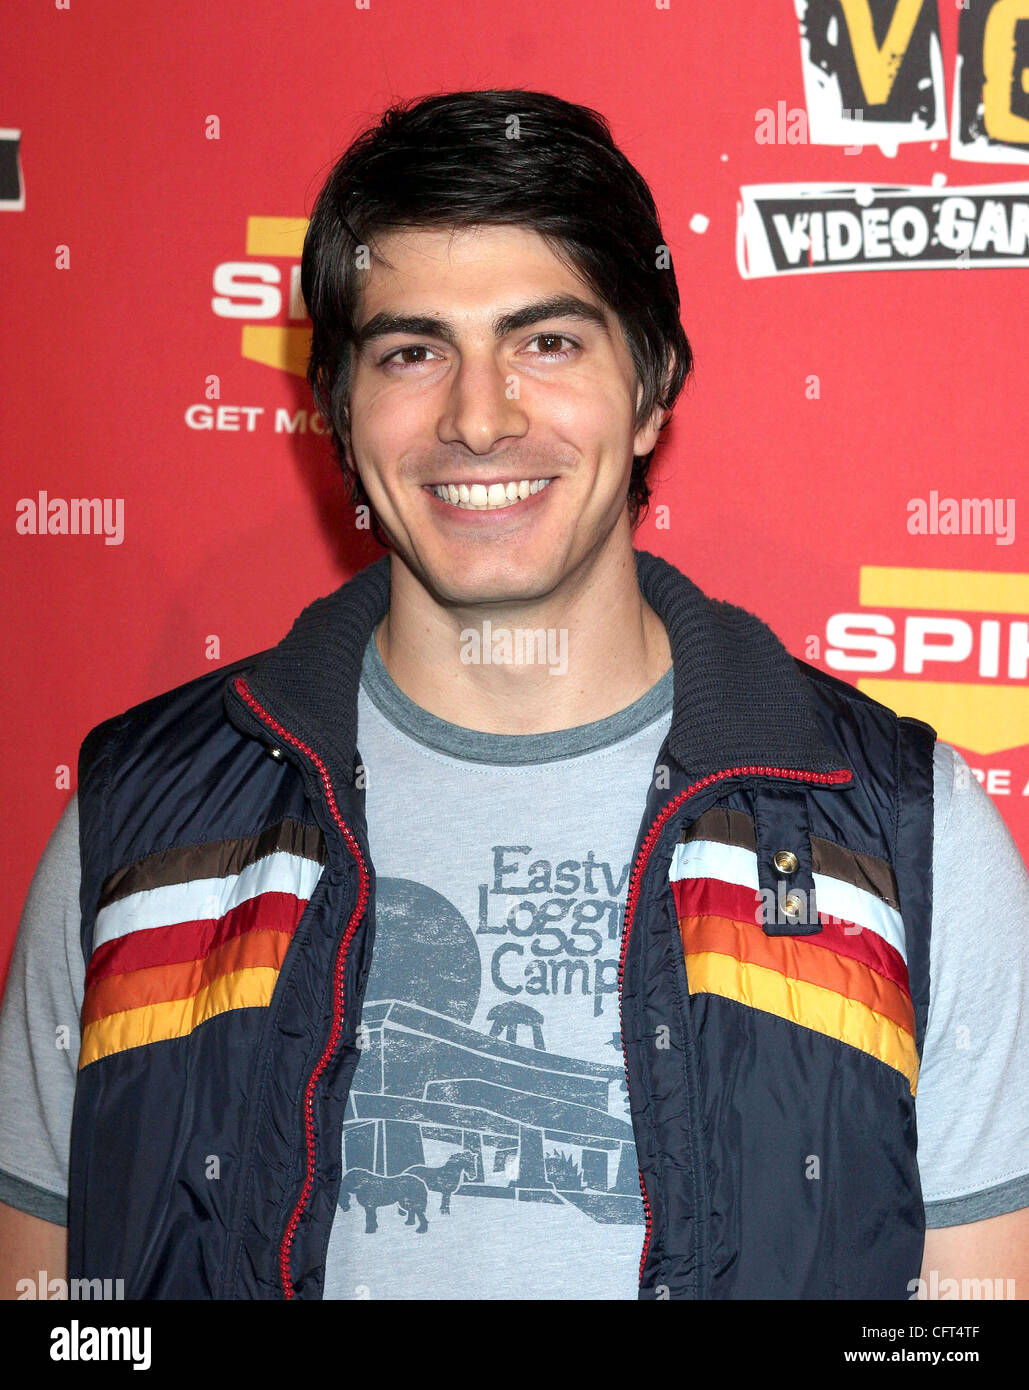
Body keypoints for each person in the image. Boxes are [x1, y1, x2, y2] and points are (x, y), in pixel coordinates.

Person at [2, 88, 1028, 1302]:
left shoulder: (900, 831)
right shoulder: (142, 824)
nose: (478, 419)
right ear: (334, 407)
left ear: (651, 391)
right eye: (412, 350)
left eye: (548, 342)